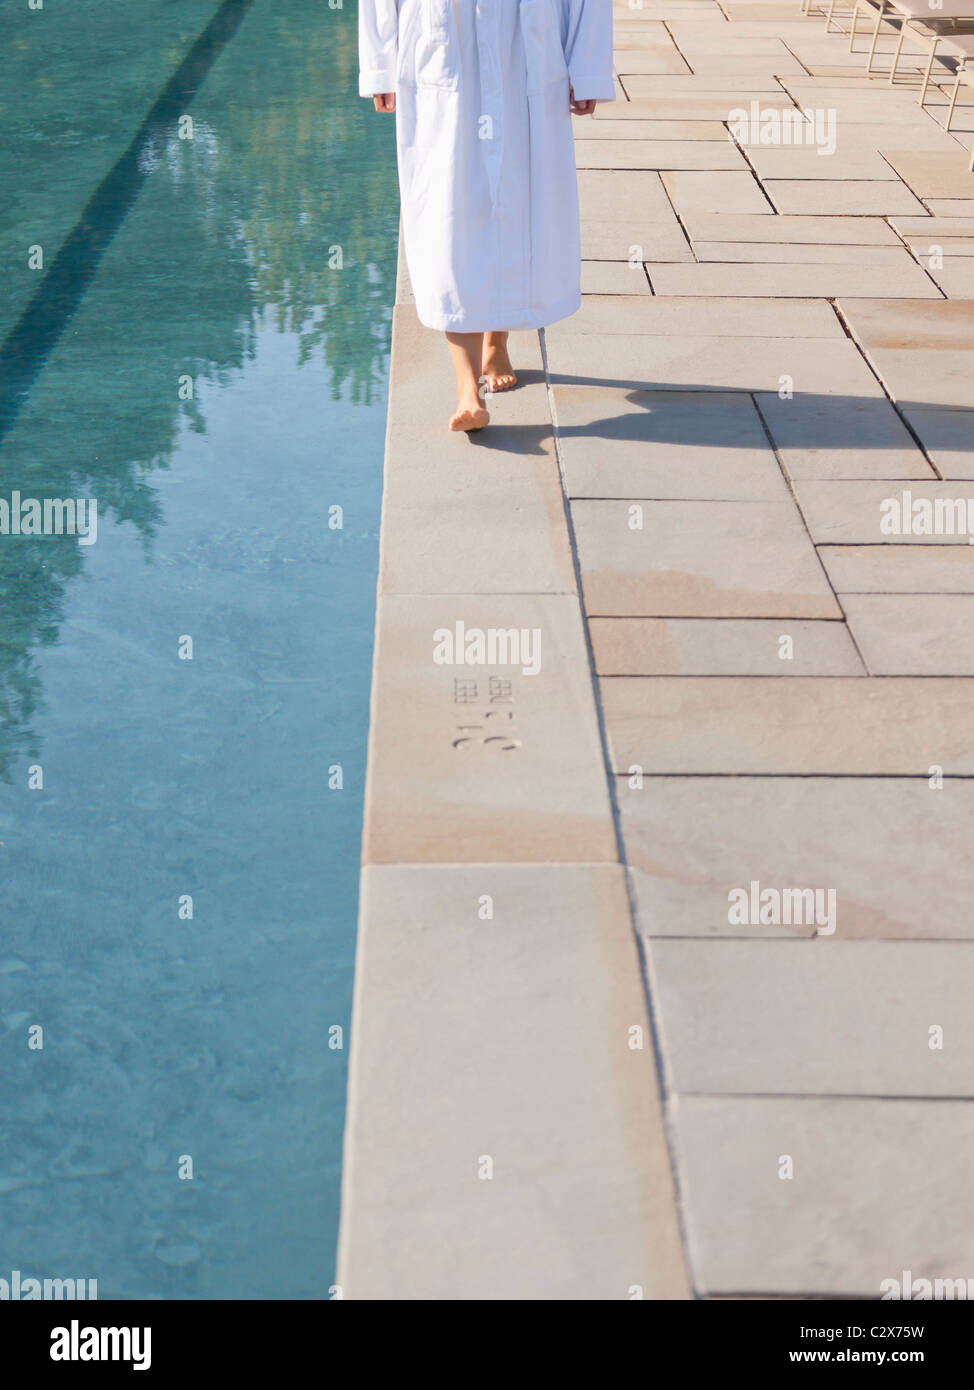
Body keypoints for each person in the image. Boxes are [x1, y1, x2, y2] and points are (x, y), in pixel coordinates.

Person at [359, 0, 614, 431]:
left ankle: (497, 343)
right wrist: (381, 65)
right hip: (443, 40)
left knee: (516, 201)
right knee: (452, 214)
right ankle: (466, 390)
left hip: (527, 39)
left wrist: (587, 66)